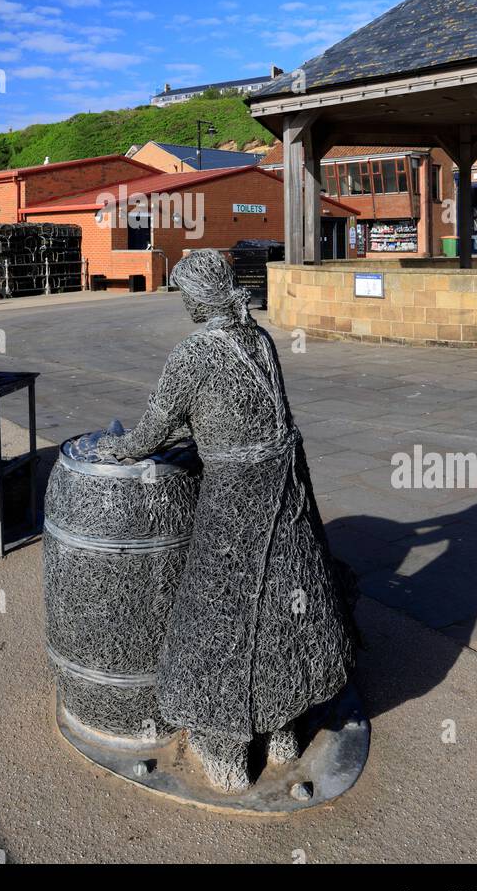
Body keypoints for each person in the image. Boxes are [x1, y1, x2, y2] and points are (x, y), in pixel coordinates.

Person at [96, 248, 357, 793]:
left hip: (235, 500)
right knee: (283, 606)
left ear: (196, 297)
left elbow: (154, 430)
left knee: (222, 616)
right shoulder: (257, 338)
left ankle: (227, 753)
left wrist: (117, 451)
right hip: (283, 496)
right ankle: (283, 731)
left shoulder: (193, 353)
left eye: (183, 293)